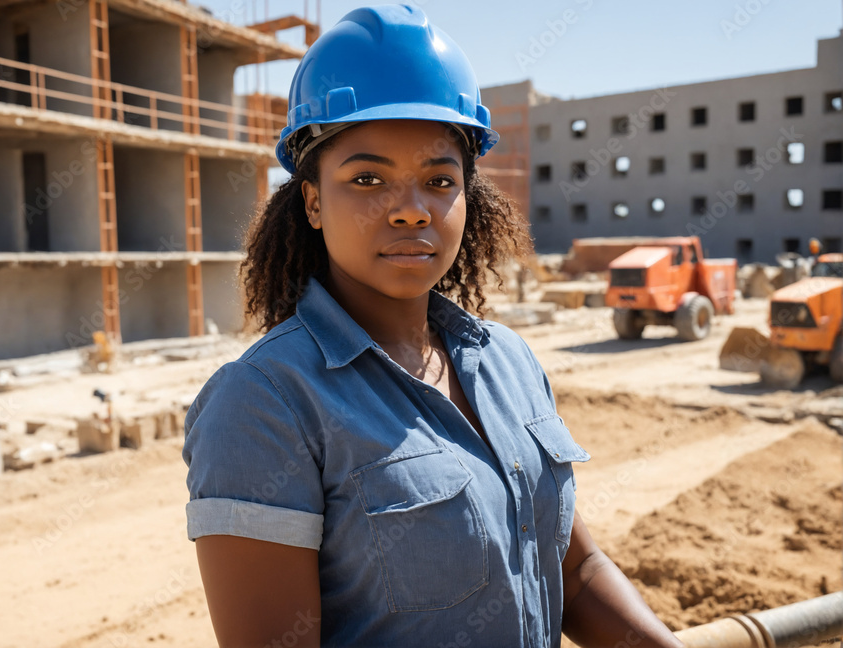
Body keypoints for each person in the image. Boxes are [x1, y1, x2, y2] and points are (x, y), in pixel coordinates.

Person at [183, 6, 685, 647]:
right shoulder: (263, 404)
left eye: (438, 180)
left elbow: (576, 574)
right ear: (312, 200)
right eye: (367, 179)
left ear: (467, 196)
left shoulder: (507, 360)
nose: (409, 211)